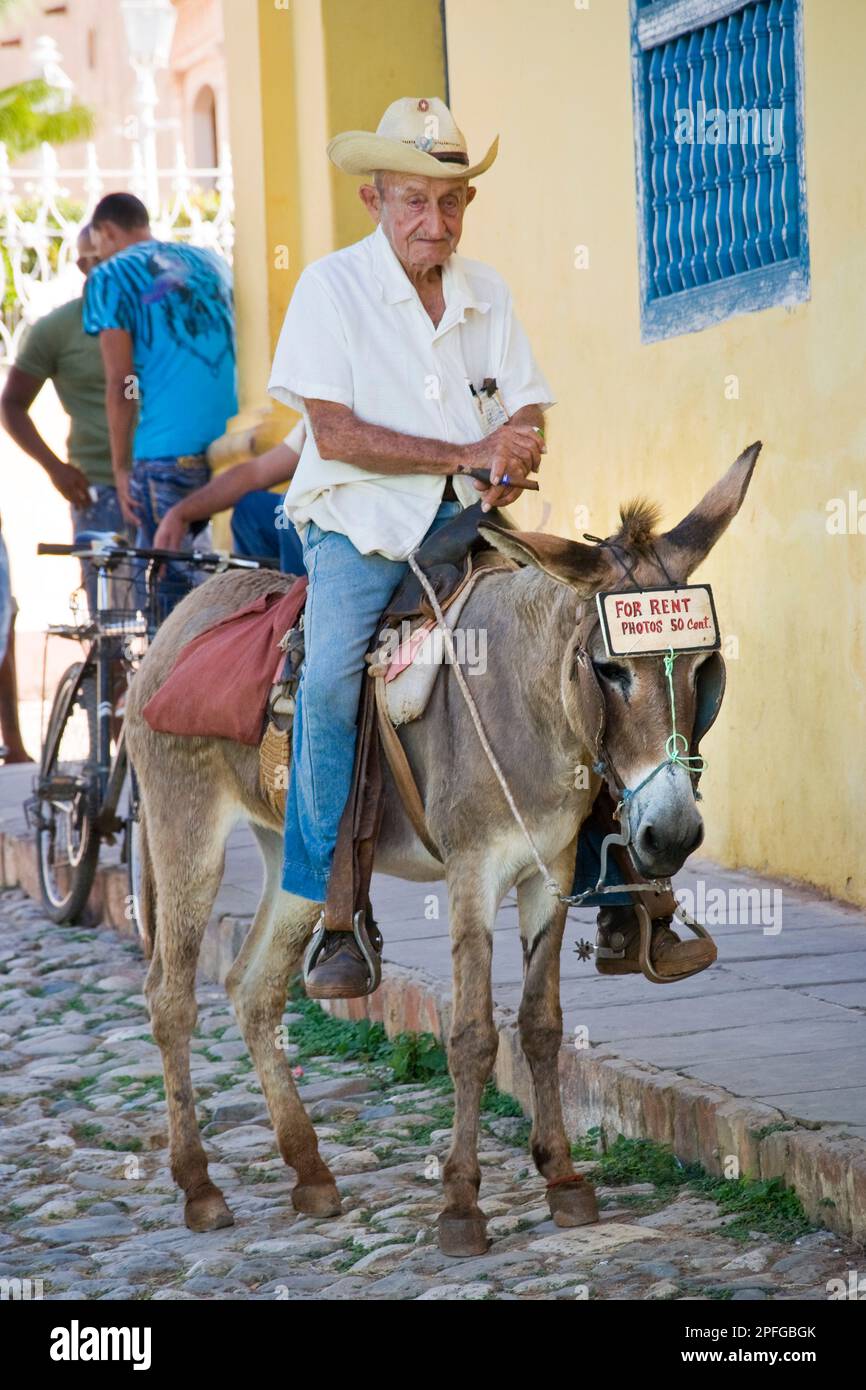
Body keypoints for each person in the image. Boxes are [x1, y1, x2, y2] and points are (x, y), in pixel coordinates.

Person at [268, 97, 549, 995]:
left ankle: (615, 880)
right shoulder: (330, 289)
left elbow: (526, 401)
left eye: (453, 201)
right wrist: (469, 450)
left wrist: (518, 444)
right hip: (360, 520)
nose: (437, 222)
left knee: (572, 632)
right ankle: (331, 908)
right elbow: (337, 435)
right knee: (331, 674)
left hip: (463, 517)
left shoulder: (486, 291)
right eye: (415, 202)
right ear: (374, 201)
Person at [83, 192, 238, 616]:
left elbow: (124, 381)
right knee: (229, 596)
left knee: (170, 613)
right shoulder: (210, 262)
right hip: (234, 449)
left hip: (168, 455)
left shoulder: (110, 275)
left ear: (106, 233)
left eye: (94, 246)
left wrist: (120, 467)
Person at [1, 224, 131, 610]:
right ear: (84, 264)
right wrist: (54, 467)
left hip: (160, 483)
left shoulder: (151, 320)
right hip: (98, 490)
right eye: (107, 258)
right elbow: (11, 404)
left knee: (174, 624)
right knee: (113, 629)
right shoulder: (56, 330)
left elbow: (133, 388)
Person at [153, 420, 306, 574]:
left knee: (292, 506)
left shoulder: (325, 406)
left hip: (325, 523)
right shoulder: (311, 417)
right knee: (251, 509)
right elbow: (255, 473)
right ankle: (265, 591)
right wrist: (180, 513)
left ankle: (305, 591)